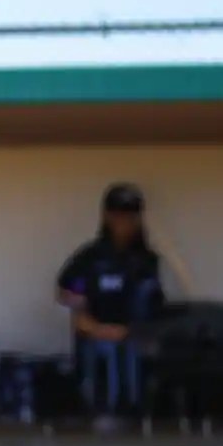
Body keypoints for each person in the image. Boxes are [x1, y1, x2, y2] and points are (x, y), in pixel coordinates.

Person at [56, 183, 164, 429]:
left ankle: (136, 412)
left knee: (137, 351)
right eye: (117, 215)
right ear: (106, 216)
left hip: (133, 338)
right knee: (104, 351)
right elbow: (68, 294)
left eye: (130, 216)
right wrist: (93, 325)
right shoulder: (89, 257)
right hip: (96, 337)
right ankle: (100, 410)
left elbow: (153, 307)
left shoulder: (147, 261)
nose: (123, 223)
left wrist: (129, 331)